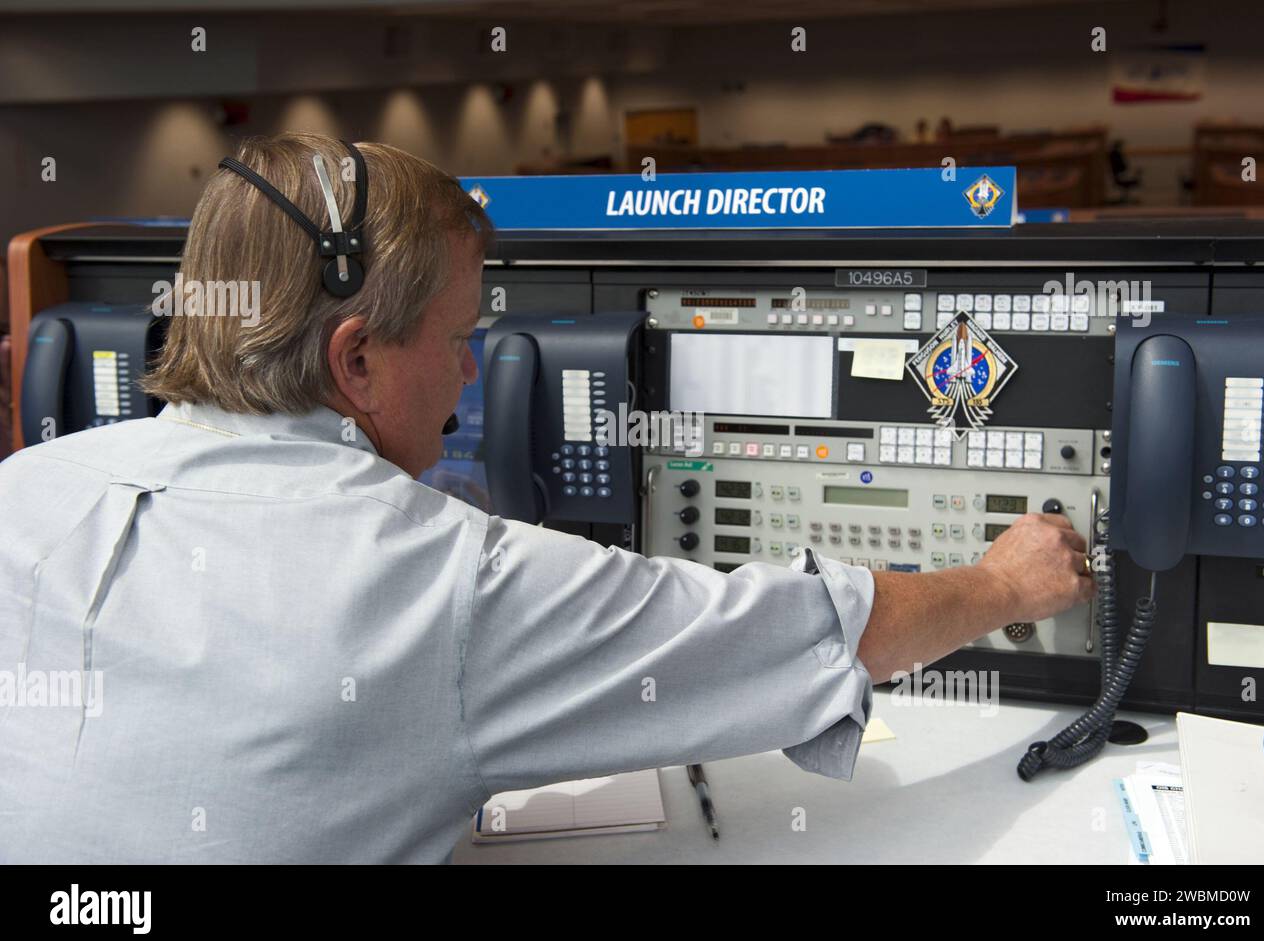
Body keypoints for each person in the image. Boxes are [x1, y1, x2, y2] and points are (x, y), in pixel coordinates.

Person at [0, 133, 1094, 863]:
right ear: (358, 362)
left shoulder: (23, 493)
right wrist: (1004, 580)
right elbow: (814, 634)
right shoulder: (434, 579)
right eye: (457, 340)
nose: (471, 375)